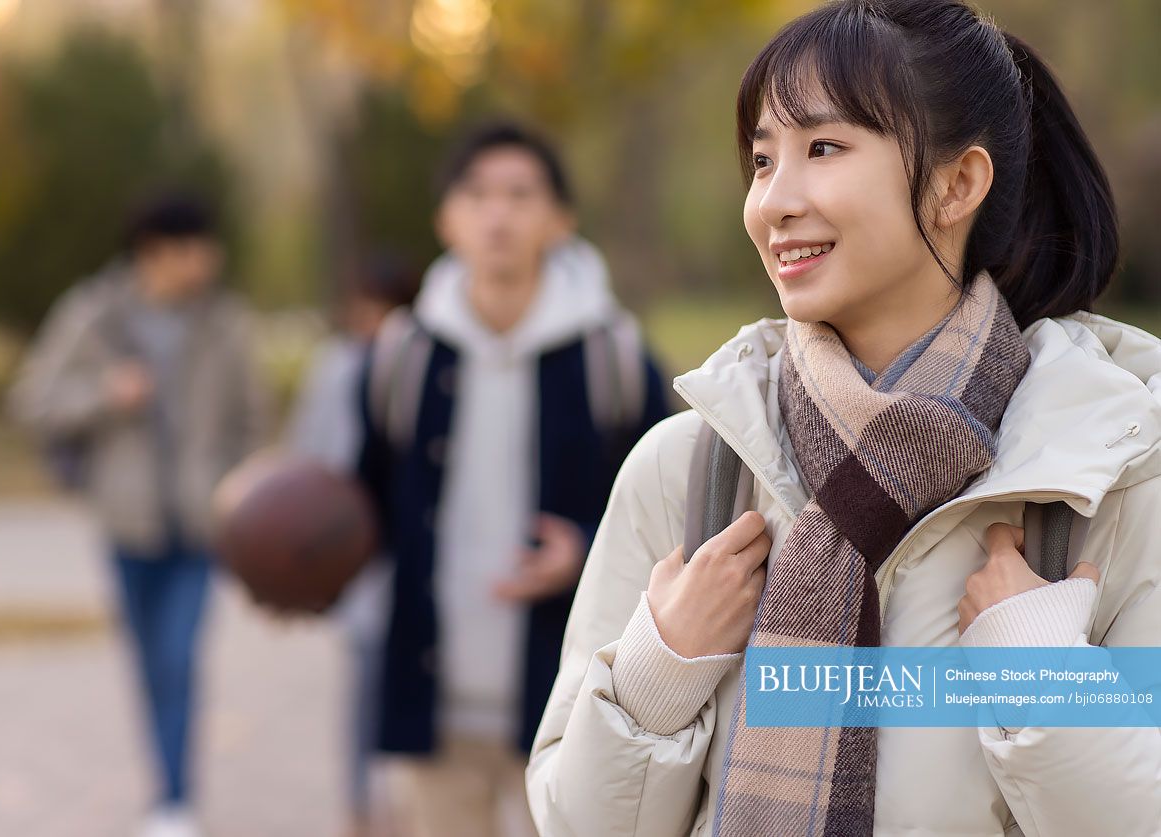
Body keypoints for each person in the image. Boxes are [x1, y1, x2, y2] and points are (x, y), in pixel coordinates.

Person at [527, 2, 1161, 835]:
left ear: (955, 184)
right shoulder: (690, 472)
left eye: (822, 148)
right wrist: (654, 678)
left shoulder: (1105, 477)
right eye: (761, 160)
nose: (772, 203)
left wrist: (1040, 674)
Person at [354, 121, 669, 837]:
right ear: (446, 218)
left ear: (560, 220)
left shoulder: (610, 355)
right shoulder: (402, 355)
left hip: (570, 706)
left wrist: (584, 551)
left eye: (520, 194)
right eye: (476, 194)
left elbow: (668, 511)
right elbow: (364, 506)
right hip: (431, 706)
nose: (496, 213)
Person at [10, 190, 270, 837]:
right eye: (193, 246)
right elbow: (33, 400)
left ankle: (176, 800)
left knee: (179, 657)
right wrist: (106, 393)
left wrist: (235, 486)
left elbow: (252, 420)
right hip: (126, 522)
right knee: (148, 663)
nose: (208, 258)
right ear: (154, 251)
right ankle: (166, 788)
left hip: (198, 524)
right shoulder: (95, 315)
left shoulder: (226, 323)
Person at [287, 253, 420, 837]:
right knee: (364, 687)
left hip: (411, 555)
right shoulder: (335, 368)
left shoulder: (422, 367)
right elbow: (309, 452)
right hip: (355, 552)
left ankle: (404, 806)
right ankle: (362, 807)